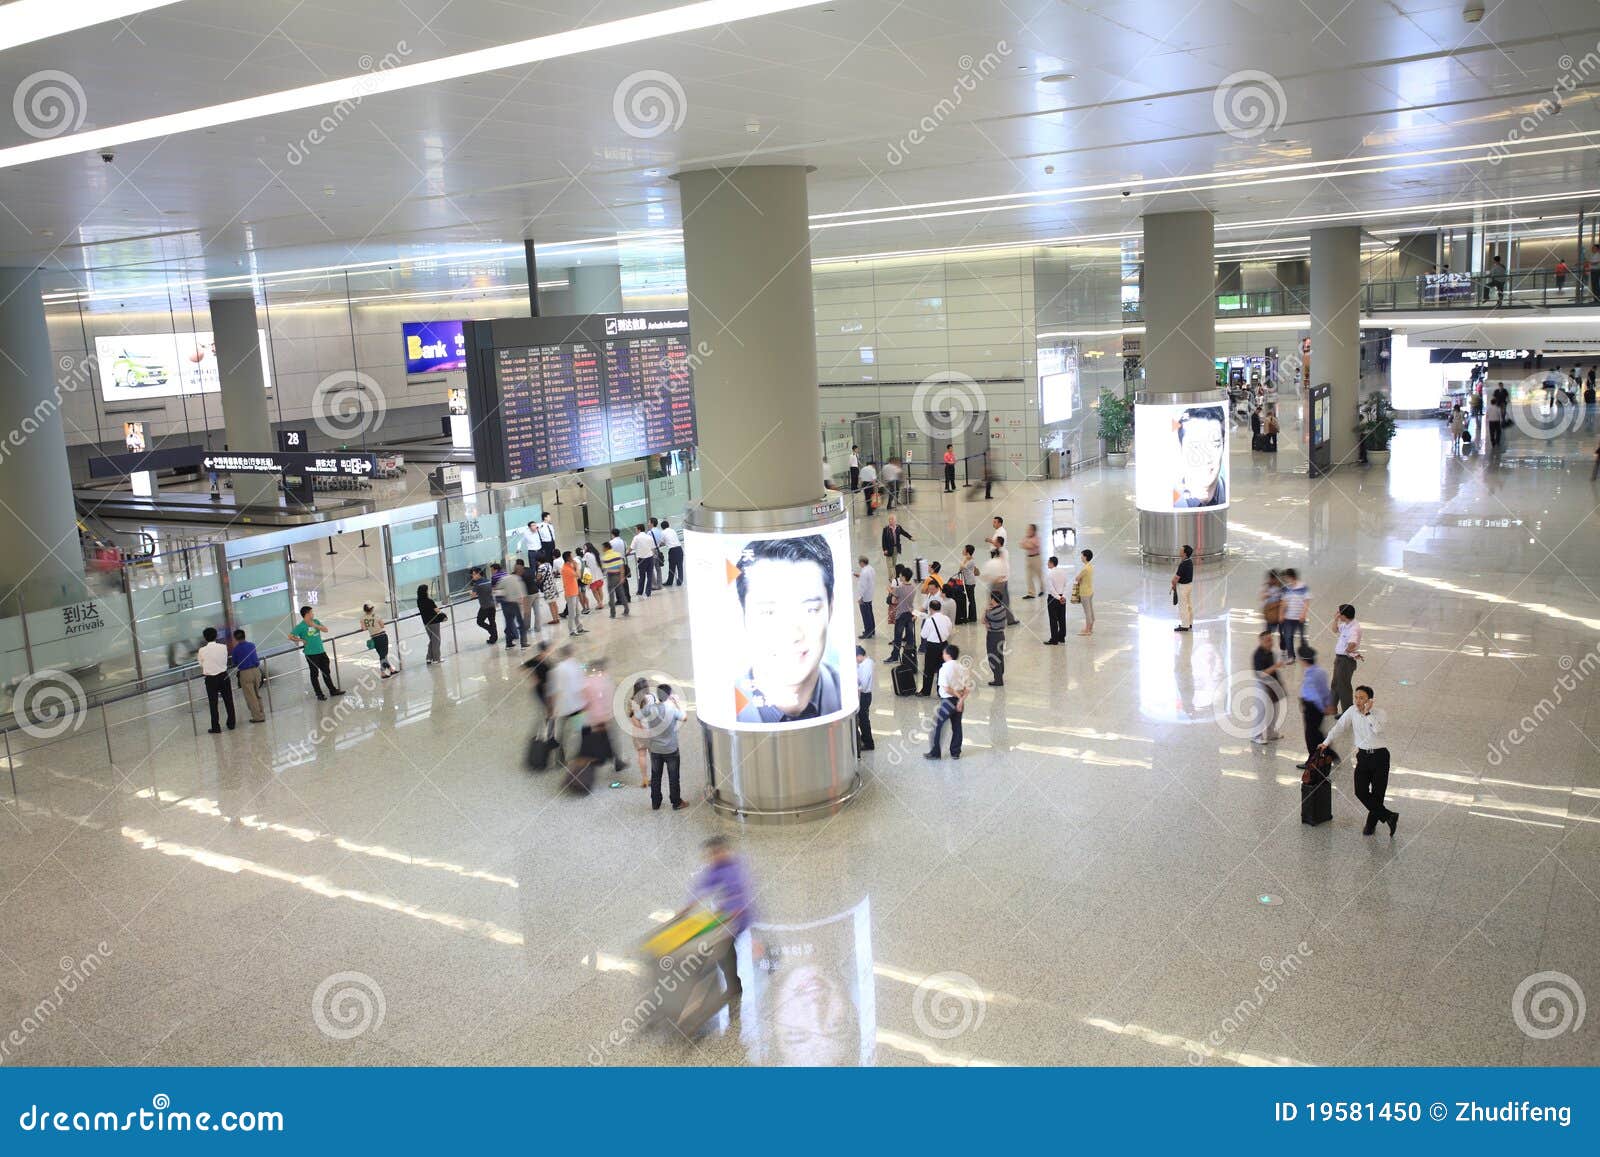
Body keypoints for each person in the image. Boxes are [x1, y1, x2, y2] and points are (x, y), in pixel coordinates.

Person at [733, 534, 843, 724]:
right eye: (768, 613)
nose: (793, 635)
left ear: (831, 607)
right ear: (743, 615)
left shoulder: (845, 690)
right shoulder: (722, 706)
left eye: (810, 609)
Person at [1319, 685, 1398, 837]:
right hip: (1363, 756)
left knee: (1378, 793)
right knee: (1360, 791)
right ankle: (1389, 816)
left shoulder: (1379, 713)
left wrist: (1367, 713)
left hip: (1380, 756)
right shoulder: (1351, 711)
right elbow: (1339, 727)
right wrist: (1326, 742)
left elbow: (1378, 730)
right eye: (1356, 697)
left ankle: (1371, 824)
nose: (1357, 700)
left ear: (1370, 700)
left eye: (1362, 698)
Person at [688, 836, 754, 1000]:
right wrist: (687, 907)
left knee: (726, 952)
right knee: (723, 953)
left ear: (724, 851)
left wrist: (733, 913)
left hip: (738, 917)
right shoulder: (716, 868)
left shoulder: (735, 869)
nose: (713, 857)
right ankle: (732, 984)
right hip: (725, 915)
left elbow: (743, 895)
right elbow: (702, 887)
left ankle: (734, 986)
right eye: (711, 854)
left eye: (716, 853)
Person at [924, 643, 972, 759]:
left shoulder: (944, 668)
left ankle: (935, 753)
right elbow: (967, 688)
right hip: (959, 701)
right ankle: (955, 752)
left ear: (948, 655)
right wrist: (960, 700)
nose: (942, 655)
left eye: (944, 653)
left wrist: (956, 696)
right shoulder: (963, 668)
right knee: (957, 726)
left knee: (937, 725)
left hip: (947, 701)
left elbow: (946, 688)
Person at [644, 683, 687, 811]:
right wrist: (677, 703)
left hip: (655, 750)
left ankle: (655, 803)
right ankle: (676, 802)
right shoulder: (672, 709)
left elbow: (636, 716)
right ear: (669, 696)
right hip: (671, 749)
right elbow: (685, 717)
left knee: (656, 777)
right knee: (674, 777)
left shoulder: (650, 709)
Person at [1174, 408, 1226, 507]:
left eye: (1214, 445)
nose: (1206, 457)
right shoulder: (1168, 499)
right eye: (1196, 446)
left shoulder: (1228, 490)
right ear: (1181, 448)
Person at [287, 606, 343, 697]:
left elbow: (326, 630)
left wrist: (315, 625)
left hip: (321, 651)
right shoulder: (300, 626)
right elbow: (290, 636)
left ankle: (332, 690)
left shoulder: (316, 621)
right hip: (311, 654)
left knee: (326, 671)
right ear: (307, 614)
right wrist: (301, 640)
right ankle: (319, 694)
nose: (313, 614)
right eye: (311, 612)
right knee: (314, 674)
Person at [1295, 645, 1335, 765]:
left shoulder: (1311, 676)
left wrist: (1323, 707)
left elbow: (1317, 694)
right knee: (1317, 733)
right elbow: (1326, 690)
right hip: (1316, 708)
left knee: (1311, 736)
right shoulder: (1320, 671)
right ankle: (1330, 754)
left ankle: (1312, 762)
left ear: (1303, 660)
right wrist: (1328, 704)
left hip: (1312, 708)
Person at [1250, 630, 1285, 745]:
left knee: (1275, 711)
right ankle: (1256, 735)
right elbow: (1261, 674)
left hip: (1273, 685)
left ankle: (1271, 733)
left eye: (1271, 640)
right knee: (1261, 712)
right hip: (1262, 685)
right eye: (1268, 640)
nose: (1270, 642)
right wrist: (1276, 666)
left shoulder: (1270, 652)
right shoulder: (1257, 655)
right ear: (1261, 641)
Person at [198, 626, 235, 733]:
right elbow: (225, 660)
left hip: (210, 679)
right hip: (224, 676)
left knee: (213, 703)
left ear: (205, 638)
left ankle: (216, 727)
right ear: (216, 636)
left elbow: (201, 663)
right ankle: (231, 723)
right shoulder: (223, 647)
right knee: (228, 700)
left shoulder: (202, 650)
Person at [916, 596, 953, 696]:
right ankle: (941, 691)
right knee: (942, 669)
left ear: (930, 609)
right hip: (944, 645)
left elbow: (923, 635)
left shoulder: (929, 620)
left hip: (932, 646)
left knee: (929, 669)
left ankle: (926, 691)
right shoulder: (946, 618)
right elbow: (949, 631)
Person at [1331, 603, 1363, 715]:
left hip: (1345, 660)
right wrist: (1335, 620)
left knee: (1343, 686)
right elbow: (1334, 630)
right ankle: (1331, 707)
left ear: (1344, 615)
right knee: (1335, 684)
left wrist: (1348, 651)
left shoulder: (1354, 628)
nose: (1337, 614)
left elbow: (1352, 643)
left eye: (1339, 613)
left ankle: (1347, 713)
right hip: (1339, 659)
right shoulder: (1346, 624)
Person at [979, 546, 1018, 628]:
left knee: (991, 602)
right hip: (1002, 584)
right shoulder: (1002, 562)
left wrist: (992, 579)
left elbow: (983, 576)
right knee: (1005, 603)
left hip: (992, 584)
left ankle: (989, 619)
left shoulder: (989, 563)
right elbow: (1005, 574)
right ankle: (1010, 620)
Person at [626, 678, 654, 789]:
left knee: (642, 755)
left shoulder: (631, 701)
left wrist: (641, 728)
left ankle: (645, 779)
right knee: (654, 756)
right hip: (651, 730)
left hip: (638, 732)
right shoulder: (652, 697)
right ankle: (655, 777)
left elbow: (631, 717)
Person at [886, 565, 916, 663]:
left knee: (897, 637)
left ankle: (895, 657)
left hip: (901, 614)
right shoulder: (913, 587)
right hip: (910, 613)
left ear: (903, 577)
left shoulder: (899, 588)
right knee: (910, 637)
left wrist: (889, 590)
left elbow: (893, 597)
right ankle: (910, 656)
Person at [1278, 568, 1309, 662]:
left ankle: (1305, 655)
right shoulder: (1287, 588)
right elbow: (1284, 602)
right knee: (1288, 637)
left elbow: (1306, 601)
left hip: (1299, 617)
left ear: (1291, 577)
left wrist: (1303, 614)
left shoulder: (1303, 587)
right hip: (1288, 618)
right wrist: (1281, 614)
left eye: (1286, 578)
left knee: (1302, 637)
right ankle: (1291, 656)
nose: (1285, 580)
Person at [496, 559, 528, 648]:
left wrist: (499, 600)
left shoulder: (505, 578)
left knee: (509, 623)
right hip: (515, 604)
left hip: (505, 604)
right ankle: (523, 643)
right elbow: (523, 597)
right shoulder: (519, 581)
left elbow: (497, 590)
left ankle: (508, 643)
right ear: (520, 571)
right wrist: (524, 609)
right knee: (521, 624)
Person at [360, 603, 397, 677]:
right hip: (382, 636)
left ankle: (391, 670)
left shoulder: (363, 618)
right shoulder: (376, 616)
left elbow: (363, 628)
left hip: (374, 638)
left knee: (382, 655)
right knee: (383, 655)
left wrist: (370, 627)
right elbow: (382, 625)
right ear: (372, 609)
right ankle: (383, 673)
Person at [560, 551, 587, 637]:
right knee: (572, 614)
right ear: (568, 558)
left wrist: (574, 566)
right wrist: (577, 567)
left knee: (577, 613)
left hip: (574, 592)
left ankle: (579, 628)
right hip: (570, 593)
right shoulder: (566, 569)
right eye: (571, 556)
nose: (573, 558)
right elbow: (578, 575)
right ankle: (571, 631)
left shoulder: (569, 566)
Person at [983, 591, 1007, 687]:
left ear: (993, 599)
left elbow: (983, 621)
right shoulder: (1003, 608)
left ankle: (998, 680)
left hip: (993, 636)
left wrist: (986, 611)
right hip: (1001, 635)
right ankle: (1000, 674)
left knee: (993, 658)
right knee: (999, 656)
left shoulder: (991, 613)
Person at [1043, 555, 1069, 644]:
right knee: (1062, 618)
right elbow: (1066, 584)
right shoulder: (1063, 572)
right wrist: (1063, 596)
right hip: (1063, 597)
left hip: (1053, 598)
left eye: (1048, 562)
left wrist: (1058, 597)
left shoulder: (1049, 574)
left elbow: (1051, 589)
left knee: (1053, 619)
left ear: (1051, 563)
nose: (1047, 564)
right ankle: (1062, 637)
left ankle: (1054, 639)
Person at [601, 537, 630, 618]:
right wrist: (622, 577)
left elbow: (605, 570)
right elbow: (621, 567)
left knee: (611, 596)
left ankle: (613, 613)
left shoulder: (604, 558)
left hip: (611, 578)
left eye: (603, 547)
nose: (602, 549)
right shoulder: (617, 555)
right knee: (622, 594)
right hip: (618, 576)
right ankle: (626, 609)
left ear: (606, 548)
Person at [415, 585, 443, 664]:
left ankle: (429, 658)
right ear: (425, 592)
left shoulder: (418, 601)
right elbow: (437, 610)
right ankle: (436, 659)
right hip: (434, 622)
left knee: (432, 639)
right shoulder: (429, 601)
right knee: (436, 640)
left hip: (426, 623)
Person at [470, 565, 497, 644]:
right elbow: (492, 591)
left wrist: (471, 593)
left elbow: (473, 596)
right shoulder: (488, 581)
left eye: (474, 574)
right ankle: (493, 637)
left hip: (485, 607)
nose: (473, 576)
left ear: (479, 574)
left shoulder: (477, 584)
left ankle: (492, 632)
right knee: (492, 621)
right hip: (492, 605)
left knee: (479, 621)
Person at [630, 522, 658, 597]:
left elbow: (631, 548)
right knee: (649, 576)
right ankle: (648, 592)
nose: (635, 530)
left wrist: (626, 553)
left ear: (639, 529)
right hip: (650, 558)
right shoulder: (649, 537)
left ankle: (640, 591)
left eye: (636, 529)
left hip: (642, 559)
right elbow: (653, 548)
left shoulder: (636, 537)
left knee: (642, 576)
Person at [1171, 545, 1195, 632]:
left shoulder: (1183, 564)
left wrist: (1173, 583)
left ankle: (1185, 625)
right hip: (1189, 585)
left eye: (1181, 550)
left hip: (1183, 588)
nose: (1179, 551)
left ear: (1184, 553)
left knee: (1183, 606)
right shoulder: (1189, 562)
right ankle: (1190, 622)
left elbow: (1176, 578)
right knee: (1189, 605)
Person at [1073, 548, 1095, 635]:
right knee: (1090, 610)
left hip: (1084, 592)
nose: (1081, 557)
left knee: (1087, 612)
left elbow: (1077, 578)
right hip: (1090, 590)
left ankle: (1087, 630)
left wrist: (1079, 579)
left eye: (1082, 555)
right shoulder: (1090, 566)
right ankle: (1090, 628)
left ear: (1085, 557)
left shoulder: (1085, 568)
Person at [1019, 523, 1044, 598]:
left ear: (1034, 531)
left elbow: (1032, 546)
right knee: (1029, 576)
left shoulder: (1037, 538)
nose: (1028, 531)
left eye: (1029, 529)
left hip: (1036, 558)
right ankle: (1031, 593)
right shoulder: (1026, 537)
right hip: (1029, 558)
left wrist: (1027, 545)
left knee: (1039, 575)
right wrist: (1028, 545)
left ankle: (1042, 589)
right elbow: (1021, 545)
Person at [854, 556, 876, 639]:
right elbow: (868, 579)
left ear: (862, 562)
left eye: (859, 563)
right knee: (870, 613)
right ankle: (872, 630)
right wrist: (860, 576)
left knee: (865, 615)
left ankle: (868, 632)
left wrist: (860, 597)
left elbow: (863, 586)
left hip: (864, 596)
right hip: (870, 594)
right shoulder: (871, 569)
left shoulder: (864, 572)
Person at [957, 545, 980, 625]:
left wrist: (964, 560)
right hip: (969, 582)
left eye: (964, 549)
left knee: (971, 600)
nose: (962, 550)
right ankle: (971, 616)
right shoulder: (968, 559)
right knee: (971, 599)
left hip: (970, 583)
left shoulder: (970, 561)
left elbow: (961, 568)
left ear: (967, 551)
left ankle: (973, 617)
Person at [659, 520, 684, 587]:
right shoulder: (673, 530)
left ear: (662, 527)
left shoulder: (663, 532)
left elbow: (661, 542)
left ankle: (670, 581)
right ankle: (680, 581)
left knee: (672, 567)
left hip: (672, 550)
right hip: (679, 548)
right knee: (680, 566)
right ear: (668, 525)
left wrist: (660, 544)